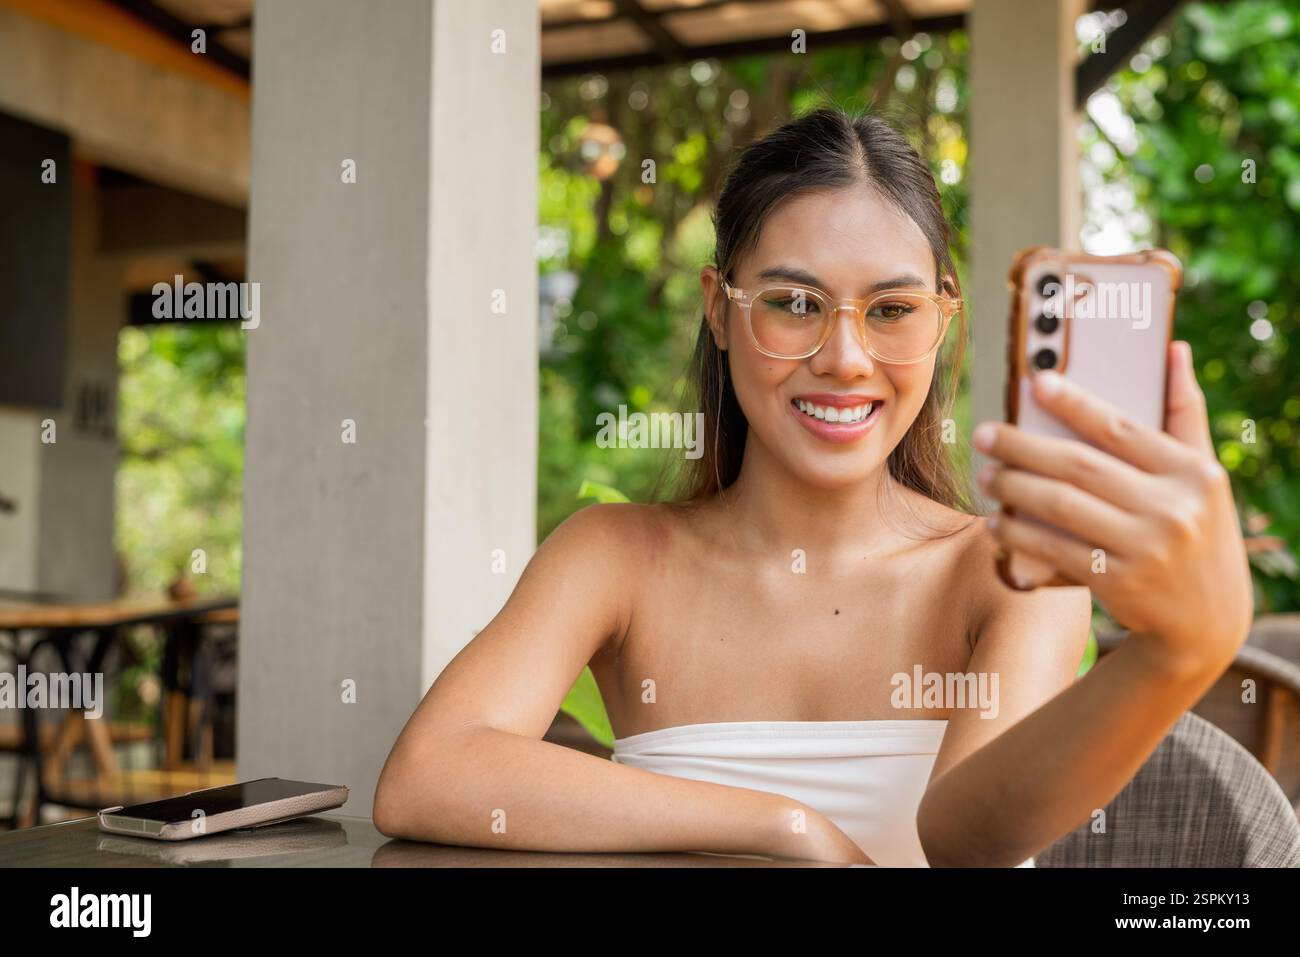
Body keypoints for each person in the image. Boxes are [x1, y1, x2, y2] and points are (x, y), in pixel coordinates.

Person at [373, 108, 1253, 866]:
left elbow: (966, 844)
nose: (844, 358)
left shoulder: (1004, 569)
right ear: (720, 309)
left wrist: (1181, 647)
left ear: (942, 323)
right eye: (794, 303)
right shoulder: (616, 555)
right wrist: (788, 826)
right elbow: (427, 773)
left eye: (892, 310)